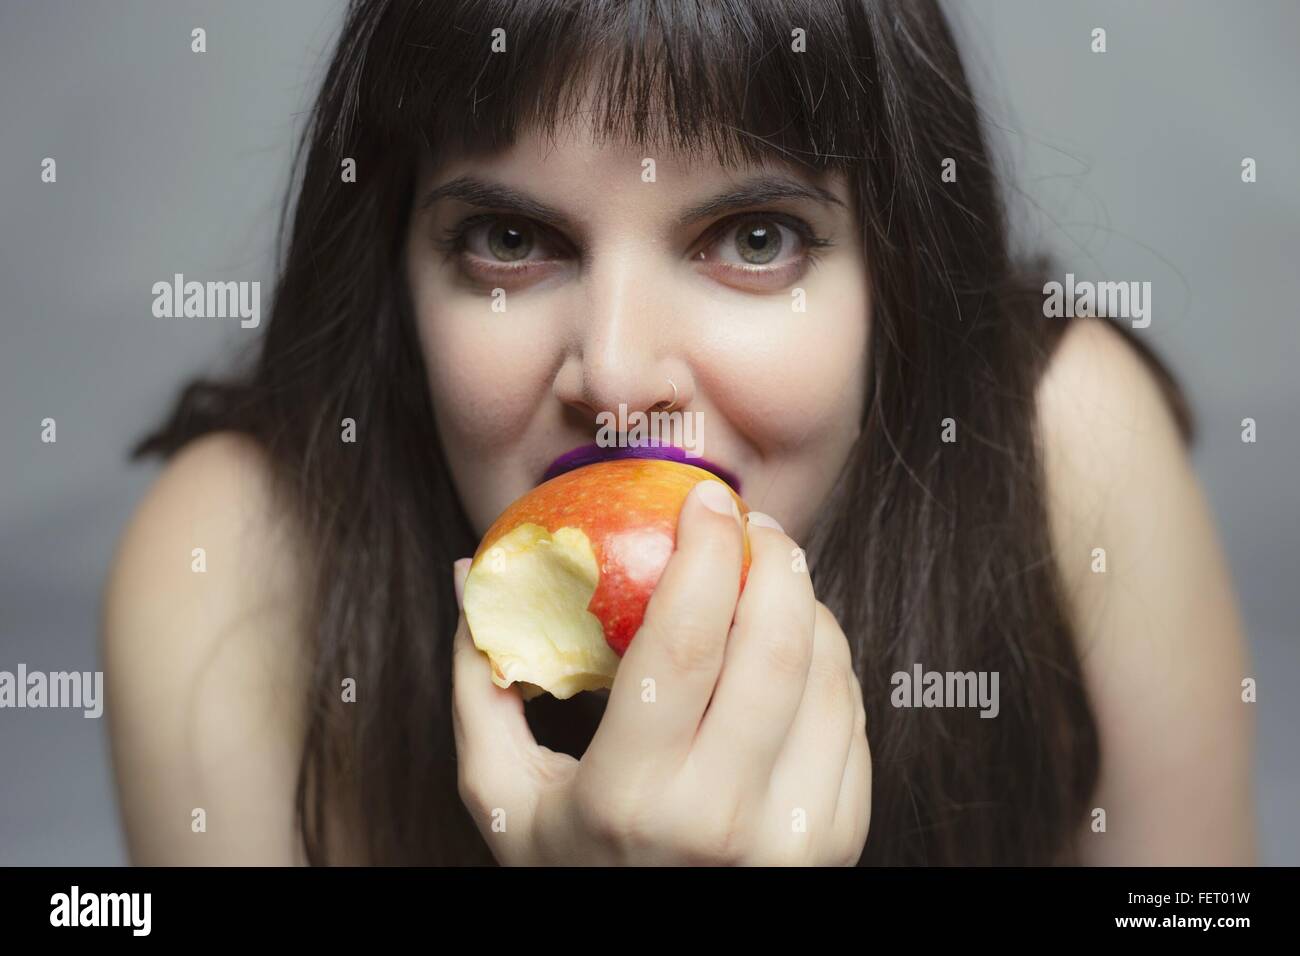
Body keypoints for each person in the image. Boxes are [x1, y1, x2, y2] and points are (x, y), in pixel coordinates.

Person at [102, 0, 1255, 866]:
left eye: (754, 239)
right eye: (509, 238)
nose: (614, 373)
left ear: (896, 281)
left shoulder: (1071, 451)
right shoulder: (227, 575)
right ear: (394, 277)